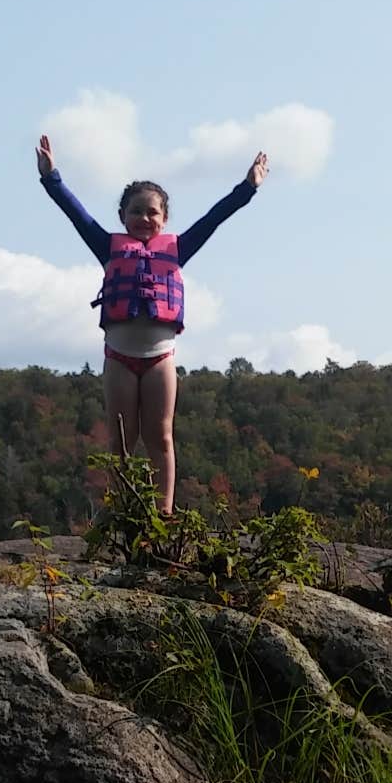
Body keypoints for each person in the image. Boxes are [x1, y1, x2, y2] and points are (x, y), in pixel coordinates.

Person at [36, 134, 268, 514]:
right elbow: (74, 212)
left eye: (152, 213)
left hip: (160, 359)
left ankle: (164, 511)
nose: (144, 219)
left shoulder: (178, 248)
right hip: (119, 359)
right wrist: (52, 177)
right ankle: (124, 511)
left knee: (160, 437)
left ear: (164, 219)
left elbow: (214, 218)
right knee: (121, 441)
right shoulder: (107, 245)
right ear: (122, 217)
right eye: (136, 212)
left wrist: (248, 188)